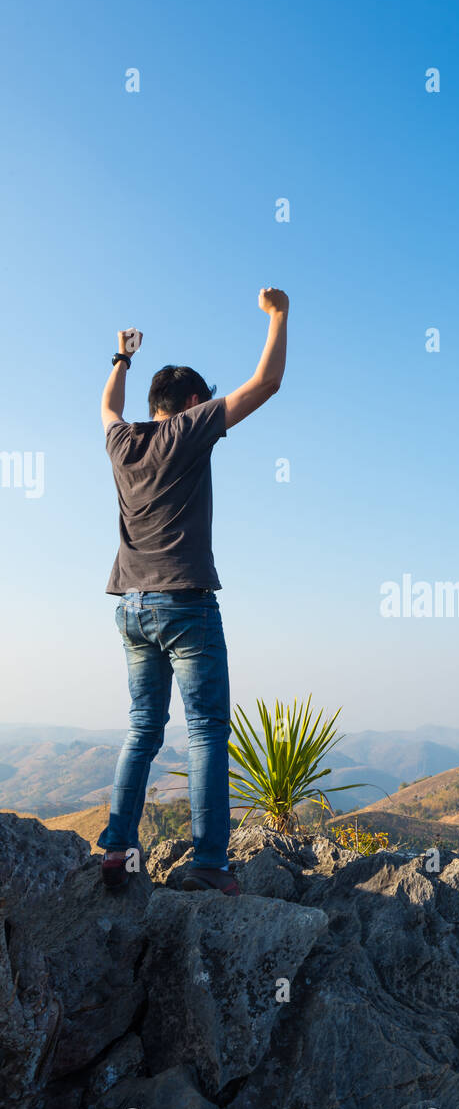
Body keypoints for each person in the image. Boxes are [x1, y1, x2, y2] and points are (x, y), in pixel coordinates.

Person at [97, 287, 289, 894]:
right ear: (190, 402)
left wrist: (120, 358)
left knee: (142, 731)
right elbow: (266, 383)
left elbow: (105, 407)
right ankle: (209, 863)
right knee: (206, 729)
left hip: (130, 607)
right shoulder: (190, 429)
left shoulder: (123, 443)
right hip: (184, 603)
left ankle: (117, 848)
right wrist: (279, 316)